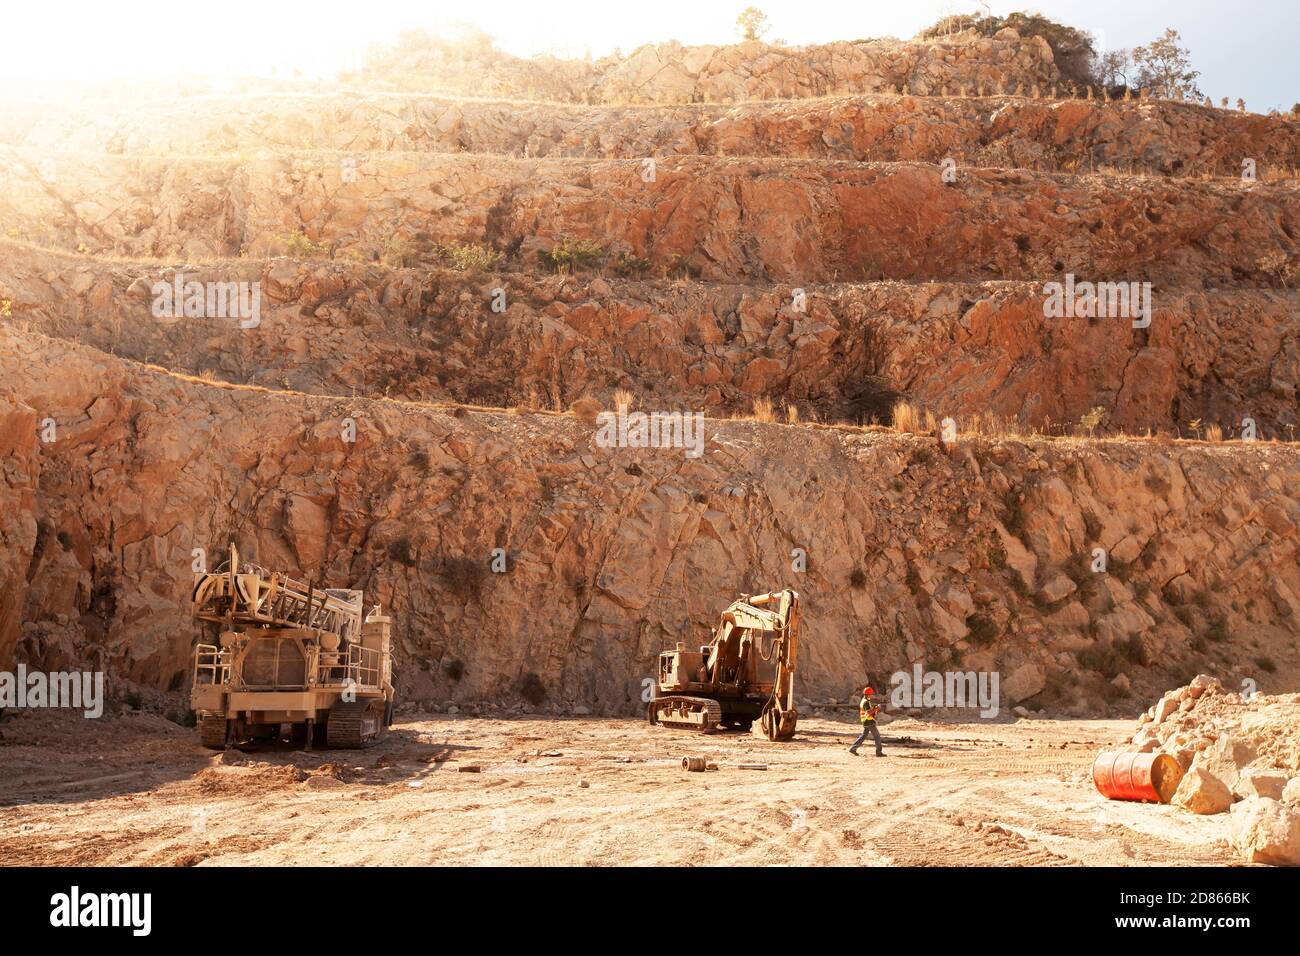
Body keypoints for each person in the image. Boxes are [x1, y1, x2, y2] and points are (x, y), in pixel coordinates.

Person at [849, 685, 884, 757]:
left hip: (865, 721)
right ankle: (879, 752)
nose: (871, 695)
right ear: (868, 694)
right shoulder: (866, 702)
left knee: (863, 736)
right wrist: (877, 709)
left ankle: (853, 748)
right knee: (877, 736)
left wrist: (875, 709)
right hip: (869, 721)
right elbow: (868, 713)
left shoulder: (864, 701)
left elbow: (868, 711)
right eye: (871, 694)